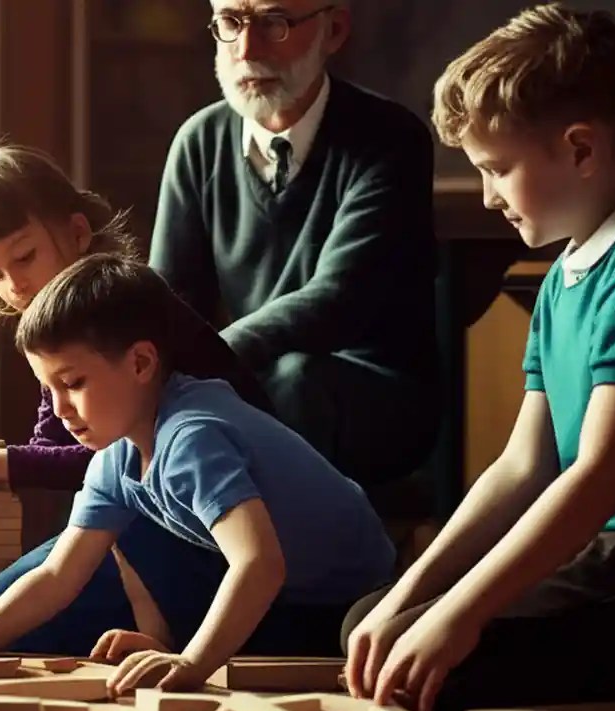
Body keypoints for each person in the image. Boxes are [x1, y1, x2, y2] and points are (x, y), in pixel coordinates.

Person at [341, 6, 615, 711]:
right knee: (374, 625)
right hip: (597, 544)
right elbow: (524, 467)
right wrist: (416, 594)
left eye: (497, 169)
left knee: (440, 661)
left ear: (582, 150)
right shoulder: (565, 273)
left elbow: (598, 476)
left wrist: (460, 614)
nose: (489, 195)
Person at [0, 255, 394, 693]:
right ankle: (167, 635)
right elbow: (58, 573)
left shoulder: (191, 435)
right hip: (265, 578)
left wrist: (192, 662)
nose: (61, 409)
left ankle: (180, 639)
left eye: (73, 383)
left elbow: (260, 563)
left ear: (140, 363)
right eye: (48, 390)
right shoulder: (114, 457)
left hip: (337, 599)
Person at [0, 144, 274, 655]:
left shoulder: (112, 312)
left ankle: (175, 626)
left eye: (25, 257)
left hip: (209, 528)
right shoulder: (55, 321)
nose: (15, 285)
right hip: (148, 517)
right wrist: (3, 458)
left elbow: (100, 458)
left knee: (2, 624)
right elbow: (58, 443)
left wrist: (1, 463)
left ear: (78, 234)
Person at [149, 0, 439, 485]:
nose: (247, 48)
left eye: (274, 23)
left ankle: (277, 556)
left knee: (295, 378)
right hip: (250, 377)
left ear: (335, 29)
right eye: (231, 22)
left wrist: (210, 361)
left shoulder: (390, 138)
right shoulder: (199, 141)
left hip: (373, 396)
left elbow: (336, 301)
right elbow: (168, 299)